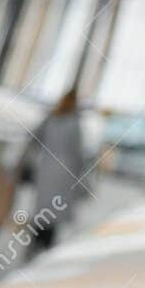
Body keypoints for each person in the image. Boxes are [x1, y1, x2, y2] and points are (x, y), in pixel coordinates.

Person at [26, 85, 87, 253]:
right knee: (55, 210)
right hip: (65, 171)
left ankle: (35, 242)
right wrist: (83, 175)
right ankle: (46, 244)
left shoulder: (51, 118)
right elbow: (77, 152)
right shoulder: (74, 123)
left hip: (46, 168)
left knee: (43, 208)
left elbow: (33, 138)